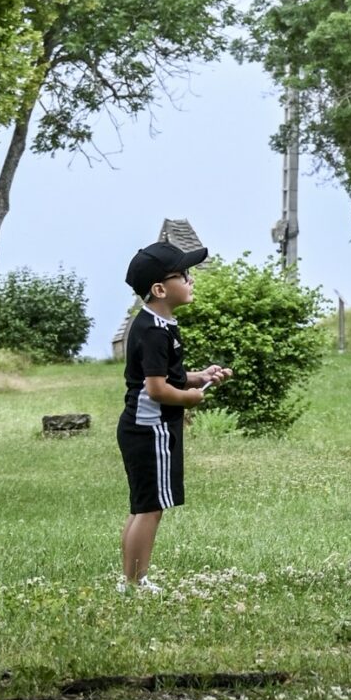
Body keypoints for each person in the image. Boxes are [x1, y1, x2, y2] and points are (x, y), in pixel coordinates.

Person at [117, 239, 232, 592]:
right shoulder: (153, 332)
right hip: (152, 430)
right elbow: (156, 389)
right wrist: (188, 398)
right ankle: (136, 582)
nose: (191, 279)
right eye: (183, 274)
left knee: (143, 505)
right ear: (159, 288)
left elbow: (165, 377)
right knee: (150, 508)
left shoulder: (160, 324)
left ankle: (130, 580)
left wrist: (199, 376)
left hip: (143, 427)